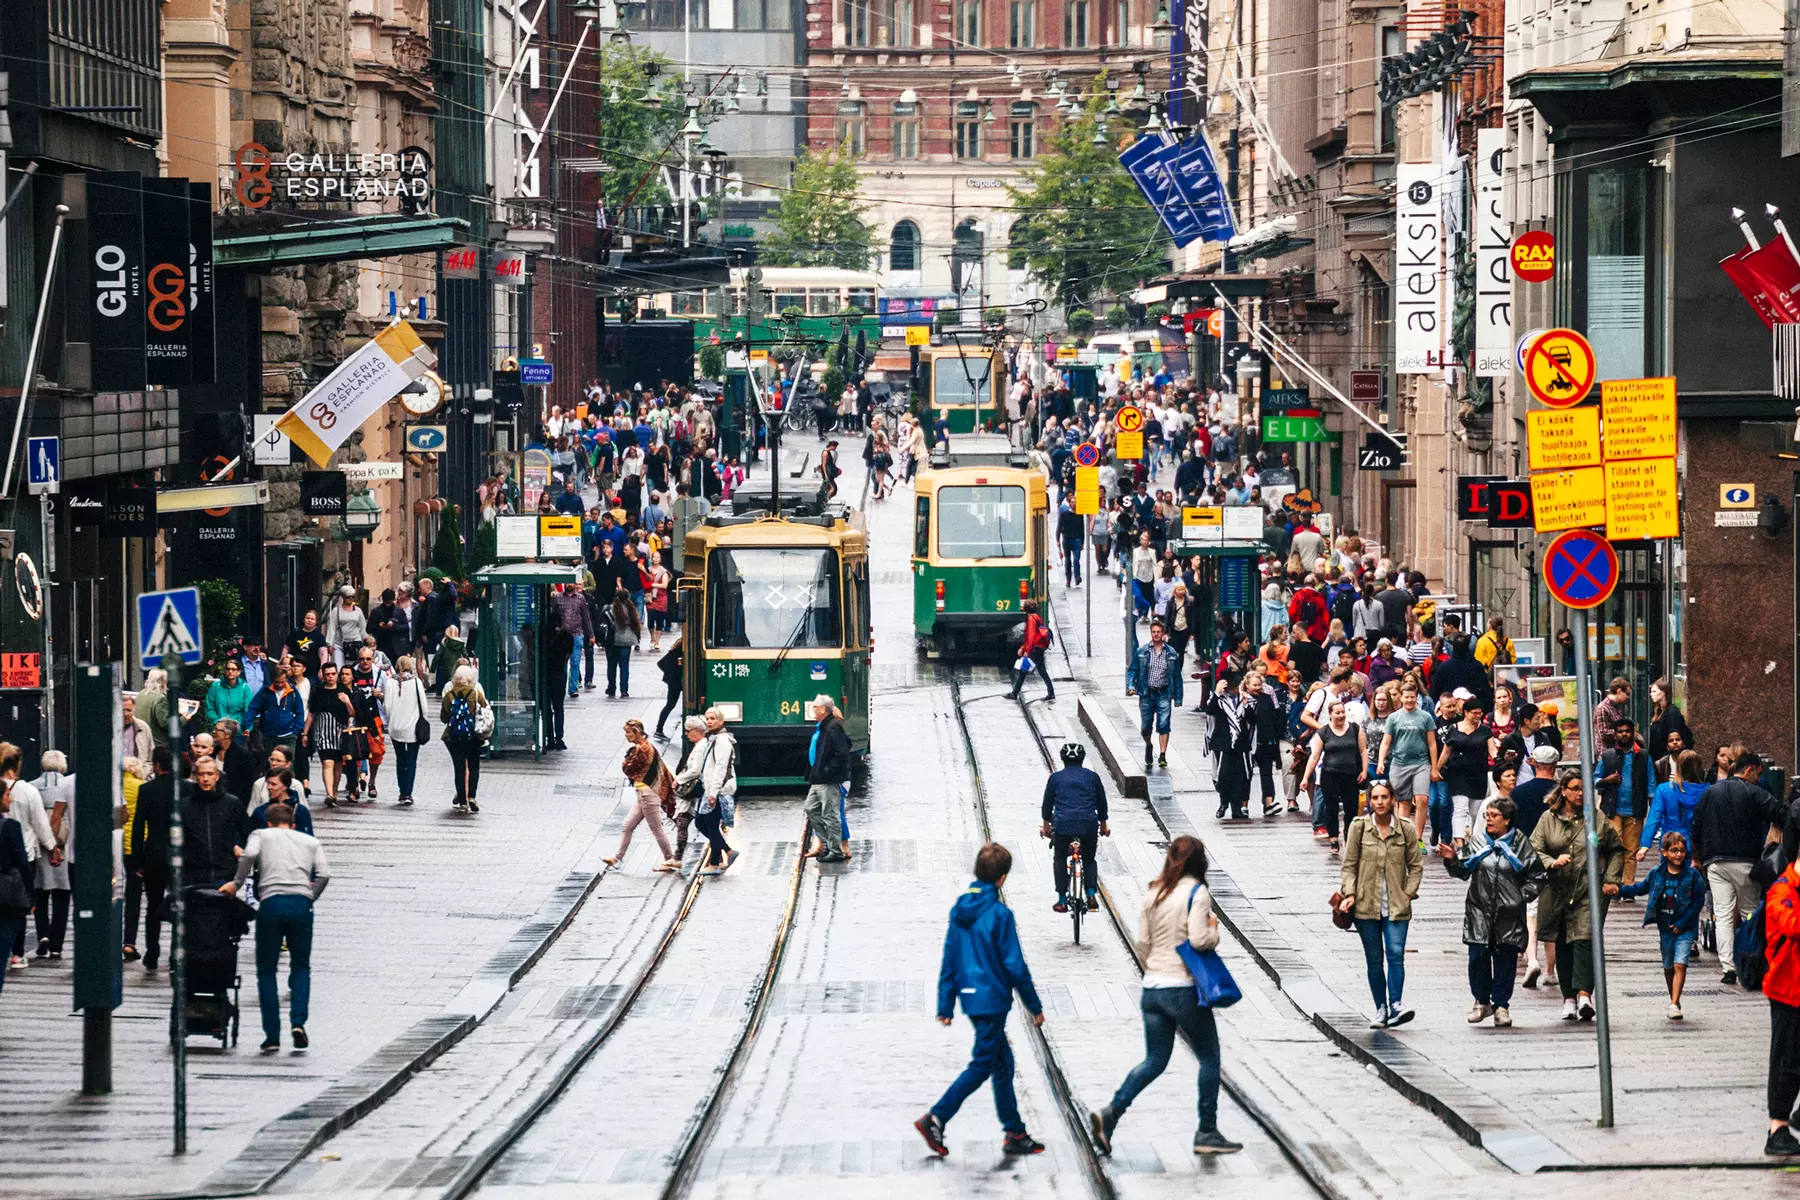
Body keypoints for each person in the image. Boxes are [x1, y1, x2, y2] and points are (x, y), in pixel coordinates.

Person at [1088, 834, 1241, 1156]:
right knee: (1209, 1058)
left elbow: (1142, 942)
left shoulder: (1153, 892)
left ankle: (1112, 1113)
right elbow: (1199, 941)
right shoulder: (1197, 893)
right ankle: (1207, 1132)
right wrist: (1214, 930)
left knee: (1154, 1060)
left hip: (1152, 989)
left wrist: (1155, 968)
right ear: (1200, 862)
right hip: (1182, 989)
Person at [915, 842, 1047, 1159]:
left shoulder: (960, 908)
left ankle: (1015, 1131)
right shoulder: (1000, 914)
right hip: (992, 1001)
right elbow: (1015, 965)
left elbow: (950, 957)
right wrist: (1035, 1005)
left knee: (1002, 1063)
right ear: (1002, 878)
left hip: (971, 1000)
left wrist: (946, 1004)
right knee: (981, 1065)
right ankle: (936, 1117)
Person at [219, 802, 328, 1052]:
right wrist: (310, 898)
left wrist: (236, 883)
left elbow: (248, 855)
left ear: (268, 823)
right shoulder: (309, 842)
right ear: (292, 823)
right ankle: (298, 1022)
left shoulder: (261, 835)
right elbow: (324, 874)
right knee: (301, 966)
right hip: (301, 905)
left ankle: (272, 1034)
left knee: (266, 970)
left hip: (271, 902)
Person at [1440, 796, 1546, 1027]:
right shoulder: (1478, 842)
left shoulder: (1521, 844)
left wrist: (1522, 896)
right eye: (1487, 815)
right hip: (1479, 910)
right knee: (1477, 956)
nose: (1489, 820)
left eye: (1494, 816)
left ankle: (1501, 1005)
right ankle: (1481, 1001)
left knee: (1505, 959)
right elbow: (1463, 871)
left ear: (1507, 820)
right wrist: (1451, 861)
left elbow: (1537, 875)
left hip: (1509, 913)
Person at [1532, 770, 1625, 1019]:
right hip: (1558, 890)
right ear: (1563, 790)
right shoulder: (1547, 819)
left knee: (1585, 938)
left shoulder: (1595, 818)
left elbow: (1617, 849)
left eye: (1583, 788)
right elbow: (1534, 849)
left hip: (1589, 889)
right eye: (1574, 788)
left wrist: (1611, 880)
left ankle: (1585, 995)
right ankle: (1569, 998)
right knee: (1563, 942)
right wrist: (1551, 862)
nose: (1580, 793)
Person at [1693, 747, 1788, 985]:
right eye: (1757, 773)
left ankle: (1728, 967)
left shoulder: (1710, 792)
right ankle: (1752, 962)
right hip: (1745, 861)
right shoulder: (1753, 792)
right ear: (1749, 770)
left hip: (1714, 862)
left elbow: (1696, 825)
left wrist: (1697, 857)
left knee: (1723, 915)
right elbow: (1780, 812)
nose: (1759, 778)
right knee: (1750, 914)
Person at [1337, 780, 1423, 1027]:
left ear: (1393, 799)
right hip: (1366, 905)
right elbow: (1349, 865)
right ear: (1369, 801)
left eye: (1384, 797)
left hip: (1397, 906)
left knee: (1395, 954)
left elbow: (1415, 865)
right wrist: (1350, 893)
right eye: (1375, 798)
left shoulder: (1405, 828)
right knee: (1374, 959)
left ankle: (1396, 1004)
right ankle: (1381, 1008)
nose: (1380, 802)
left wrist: (1407, 893)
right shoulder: (1359, 827)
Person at [1617, 831, 1707, 1020]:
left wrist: (1682, 924)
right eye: (1674, 851)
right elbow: (1640, 888)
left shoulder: (1692, 876)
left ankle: (1674, 1004)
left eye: (1682, 851)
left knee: (1680, 964)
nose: (1679, 855)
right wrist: (1619, 890)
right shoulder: (1656, 873)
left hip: (1685, 927)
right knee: (1668, 966)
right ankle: (1674, 996)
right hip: (1665, 927)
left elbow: (1698, 902)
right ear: (1664, 852)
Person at [1761, 851, 1800, 1155]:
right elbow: (1791, 924)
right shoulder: (1783, 888)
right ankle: (1778, 1128)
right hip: (1788, 989)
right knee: (1786, 1059)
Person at [1040, 742, 1109, 913]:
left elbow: (1047, 805)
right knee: (1089, 859)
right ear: (1082, 759)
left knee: (1060, 858)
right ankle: (1091, 893)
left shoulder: (1055, 778)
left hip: (1063, 825)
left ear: (1063, 759)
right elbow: (1101, 803)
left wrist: (1046, 826)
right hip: (1088, 824)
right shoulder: (1093, 777)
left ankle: (1062, 900)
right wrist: (1104, 825)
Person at [607, 720, 681, 871]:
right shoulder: (643, 746)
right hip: (642, 794)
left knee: (656, 829)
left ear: (637, 732)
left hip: (648, 794)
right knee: (627, 826)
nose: (626, 735)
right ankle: (617, 859)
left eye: (628, 732)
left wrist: (626, 762)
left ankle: (670, 860)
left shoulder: (643, 749)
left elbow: (628, 768)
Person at [675, 715, 738, 876]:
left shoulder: (721, 741)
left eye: (713, 719)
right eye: (708, 718)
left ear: (721, 721)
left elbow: (720, 768)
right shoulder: (713, 739)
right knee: (704, 823)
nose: (709, 721)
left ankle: (716, 862)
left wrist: (713, 792)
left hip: (717, 790)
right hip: (710, 789)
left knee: (708, 824)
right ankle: (725, 854)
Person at [1304, 698, 1367, 854]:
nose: (1341, 715)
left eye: (1343, 712)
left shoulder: (1355, 729)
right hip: (1330, 774)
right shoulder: (1323, 732)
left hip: (1351, 774)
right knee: (1331, 808)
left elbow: (1363, 751)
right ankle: (1333, 839)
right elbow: (1314, 756)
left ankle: (1349, 837)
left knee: (1351, 809)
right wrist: (1306, 778)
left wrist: (1364, 771)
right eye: (1337, 713)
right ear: (1330, 715)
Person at [1596, 718, 1652, 886]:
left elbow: (1650, 782)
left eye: (1627, 731)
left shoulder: (1643, 755)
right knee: (1614, 848)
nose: (1624, 734)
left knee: (1631, 850)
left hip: (1635, 810)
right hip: (1613, 809)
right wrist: (1607, 780)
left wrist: (1653, 806)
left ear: (1633, 733)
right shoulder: (1607, 756)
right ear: (1615, 734)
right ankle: (1614, 882)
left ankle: (1628, 886)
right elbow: (1595, 779)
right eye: (1620, 731)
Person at [1379, 682, 1439, 838]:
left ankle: (1418, 838)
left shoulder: (1425, 717)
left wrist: (1434, 767)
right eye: (1406, 697)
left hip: (1421, 763)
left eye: (1412, 697)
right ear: (1401, 697)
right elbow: (1386, 742)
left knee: (1422, 799)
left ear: (1416, 697)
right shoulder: (1394, 717)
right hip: (1399, 764)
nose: (1410, 700)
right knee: (1403, 802)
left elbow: (1432, 743)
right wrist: (1380, 761)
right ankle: (1403, 836)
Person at [184, 755, 253, 888]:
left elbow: (248, 832)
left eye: (209, 774)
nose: (205, 779)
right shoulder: (185, 806)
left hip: (224, 873)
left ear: (217, 776)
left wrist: (239, 846)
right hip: (194, 874)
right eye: (201, 774)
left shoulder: (232, 803)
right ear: (196, 776)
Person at [1437, 696, 1497, 850]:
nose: (1478, 716)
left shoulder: (1485, 730)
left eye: (1480, 713)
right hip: (1458, 773)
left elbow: (1492, 750)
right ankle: (1460, 843)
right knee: (1460, 808)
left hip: (1478, 773)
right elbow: (1446, 752)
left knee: (1476, 811)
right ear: (1466, 712)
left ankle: (1476, 840)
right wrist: (1436, 769)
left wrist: (1500, 760)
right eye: (1474, 713)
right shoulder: (1454, 729)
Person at [1127, 620, 1182, 770]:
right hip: (1146, 693)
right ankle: (1149, 745)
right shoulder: (1142, 651)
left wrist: (1178, 697)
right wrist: (1131, 685)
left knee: (1164, 725)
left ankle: (1163, 755)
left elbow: (1177, 675)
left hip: (1164, 693)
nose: (1156, 634)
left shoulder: (1171, 653)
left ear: (1163, 633)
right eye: (1154, 632)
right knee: (1146, 727)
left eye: (1159, 632)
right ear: (1151, 633)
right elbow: (1132, 670)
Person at [803, 696, 851, 863]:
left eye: (815, 706)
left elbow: (842, 753)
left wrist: (827, 771)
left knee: (830, 815)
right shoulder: (823, 727)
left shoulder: (833, 727)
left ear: (823, 709)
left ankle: (836, 850)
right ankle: (828, 844)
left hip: (828, 780)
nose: (813, 709)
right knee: (810, 808)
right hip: (818, 779)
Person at [1203, 674, 1256, 820]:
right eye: (1232, 688)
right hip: (1222, 743)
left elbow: (1252, 720)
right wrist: (1216, 692)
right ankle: (1223, 802)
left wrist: (1245, 705)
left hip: (1241, 744)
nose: (1234, 690)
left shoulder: (1245, 699)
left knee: (1240, 777)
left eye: (1236, 687)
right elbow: (1209, 710)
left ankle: (1236, 808)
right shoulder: (1218, 700)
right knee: (1223, 777)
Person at [439, 664, 489, 812]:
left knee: (459, 768)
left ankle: (462, 801)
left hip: (454, 737)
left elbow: (444, 718)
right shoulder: (475, 694)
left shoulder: (449, 695)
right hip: (472, 736)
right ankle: (472, 796)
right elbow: (485, 711)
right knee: (474, 767)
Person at [383, 655, 429, 807]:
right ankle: (408, 792)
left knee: (400, 760)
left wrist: (391, 721)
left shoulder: (390, 682)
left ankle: (402, 791)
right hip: (413, 727)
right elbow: (424, 707)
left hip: (396, 727)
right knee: (411, 761)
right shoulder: (416, 682)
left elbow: (387, 707)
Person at [606, 588, 642, 698]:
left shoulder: (611, 609)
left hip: (613, 640)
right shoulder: (630, 608)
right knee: (624, 666)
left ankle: (611, 688)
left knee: (611, 666)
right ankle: (624, 690)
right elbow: (636, 623)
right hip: (627, 639)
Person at [204, 657, 254, 729]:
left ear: (239, 672)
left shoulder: (245, 688)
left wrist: (247, 728)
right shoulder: (216, 686)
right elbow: (210, 707)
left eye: (233, 669)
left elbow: (248, 710)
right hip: (219, 728)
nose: (230, 671)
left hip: (238, 729)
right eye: (228, 669)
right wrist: (216, 722)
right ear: (225, 671)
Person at [324, 585, 368, 666]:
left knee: (353, 668)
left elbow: (363, 627)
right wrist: (329, 644)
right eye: (348, 597)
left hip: (355, 643)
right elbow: (332, 627)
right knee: (338, 667)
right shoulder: (336, 611)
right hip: (339, 643)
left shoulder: (358, 611)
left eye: (353, 596)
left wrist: (366, 641)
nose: (351, 599)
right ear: (343, 597)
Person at [653, 643, 684, 741]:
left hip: (674, 679)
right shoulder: (682, 647)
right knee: (670, 704)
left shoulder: (677, 646)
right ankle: (658, 729)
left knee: (670, 704)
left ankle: (659, 729)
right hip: (676, 679)